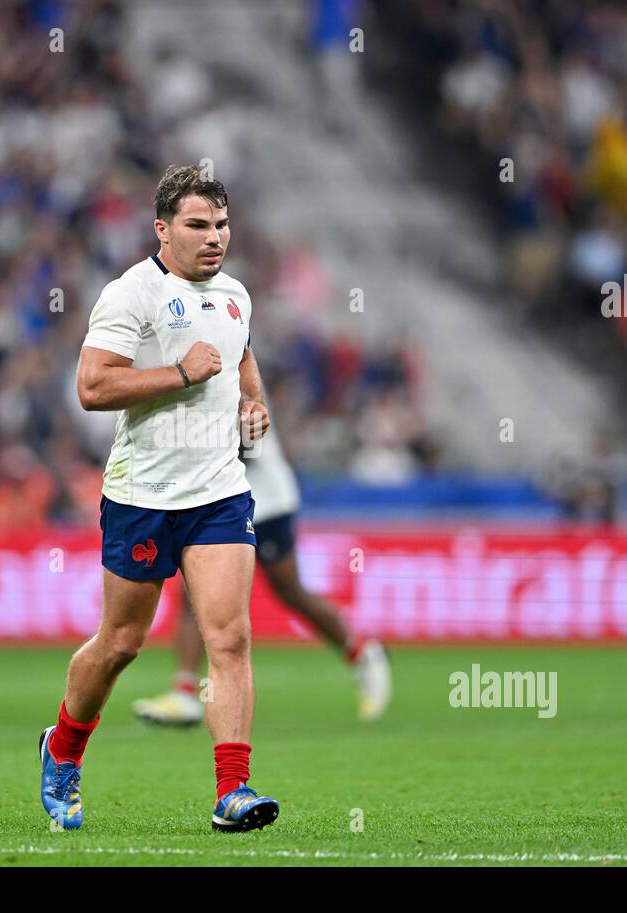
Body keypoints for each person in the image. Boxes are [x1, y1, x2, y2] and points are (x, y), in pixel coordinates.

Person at [38, 164, 280, 832]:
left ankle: (233, 792)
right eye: (198, 226)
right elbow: (92, 387)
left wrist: (252, 404)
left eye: (222, 225)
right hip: (143, 496)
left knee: (228, 639)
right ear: (162, 229)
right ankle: (63, 748)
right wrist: (177, 373)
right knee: (120, 642)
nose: (214, 238)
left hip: (219, 494)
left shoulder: (236, 295)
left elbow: (241, 357)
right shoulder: (130, 295)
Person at [133, 428, 391, 725]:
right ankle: (185, 694)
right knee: (193, 592)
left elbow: (247, 440)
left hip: (262, 501)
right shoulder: (193, 382)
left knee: (290, 591)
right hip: (217, 501)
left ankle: (361, 653)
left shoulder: (231, 380)